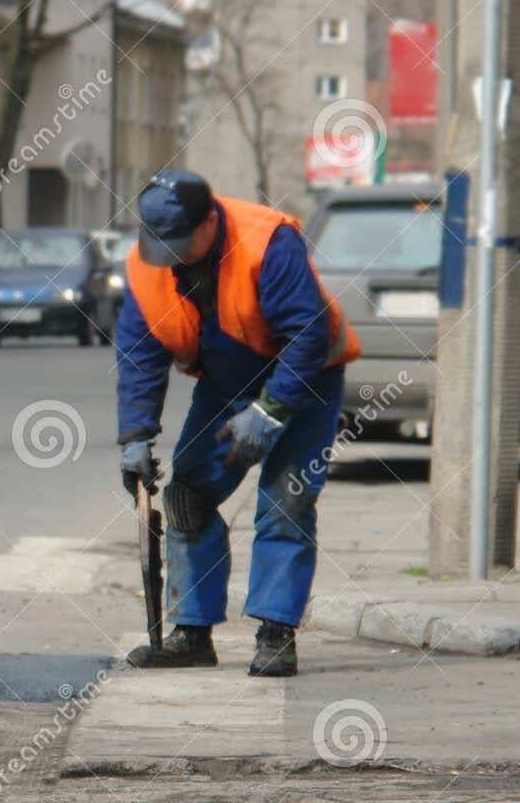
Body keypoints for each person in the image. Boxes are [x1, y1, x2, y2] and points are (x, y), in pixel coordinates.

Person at [115, 169, 359, 678]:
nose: (171, 256)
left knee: (285, 501)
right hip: (226, 384)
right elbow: (140, 354)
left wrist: (271, 411)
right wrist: (135, 435)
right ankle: (193, 633)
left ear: (210, 220)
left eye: (180, 242)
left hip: (305, 380)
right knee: (186, 495)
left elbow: (308, 335)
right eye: (160, 243)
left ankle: (275, 632)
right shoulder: (147, 266)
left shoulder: (269, 241)